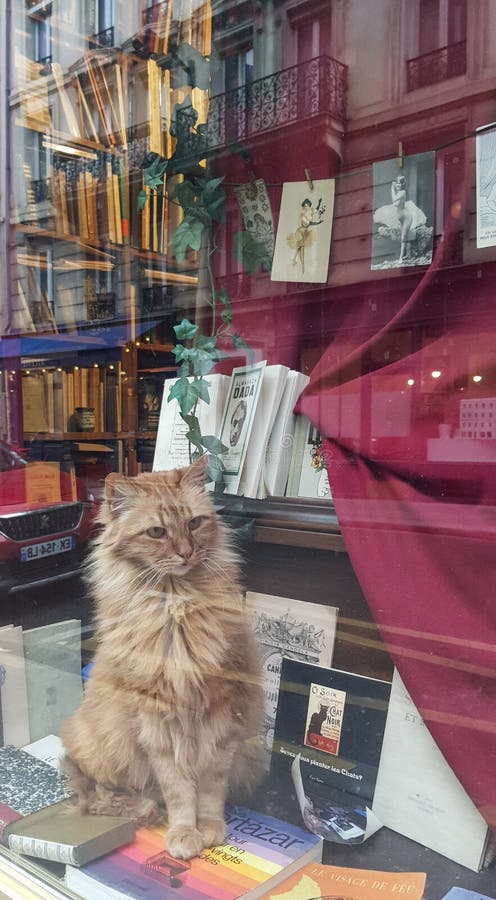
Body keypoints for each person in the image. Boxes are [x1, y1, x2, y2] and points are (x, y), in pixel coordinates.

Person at [374, 174, 427, 262]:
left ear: (402, 184)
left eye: (399, 184)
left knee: (403, 237)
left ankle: (401, 258)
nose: (398, 185)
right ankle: (409, 254)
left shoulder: (403, 192)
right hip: (401, 217)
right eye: (397, 183)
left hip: (406, 217)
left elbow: (394, 199)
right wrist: (394, 190)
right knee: (405, 236)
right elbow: (395, 204)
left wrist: (392, 189)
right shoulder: (398, 192)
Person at [287, 197, 326, 274]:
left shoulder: (311, 211)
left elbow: (317, 210)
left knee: (301, 247)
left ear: (309, 205)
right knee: (301, 248)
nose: (306, 207)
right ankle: (302, 267)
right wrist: (318, 223)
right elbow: (309, 223)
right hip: (300, 231)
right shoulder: (303, 214)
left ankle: (295, 260)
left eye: (307, 205)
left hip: (305, 231)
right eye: (305, 206)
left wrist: (319, 202)